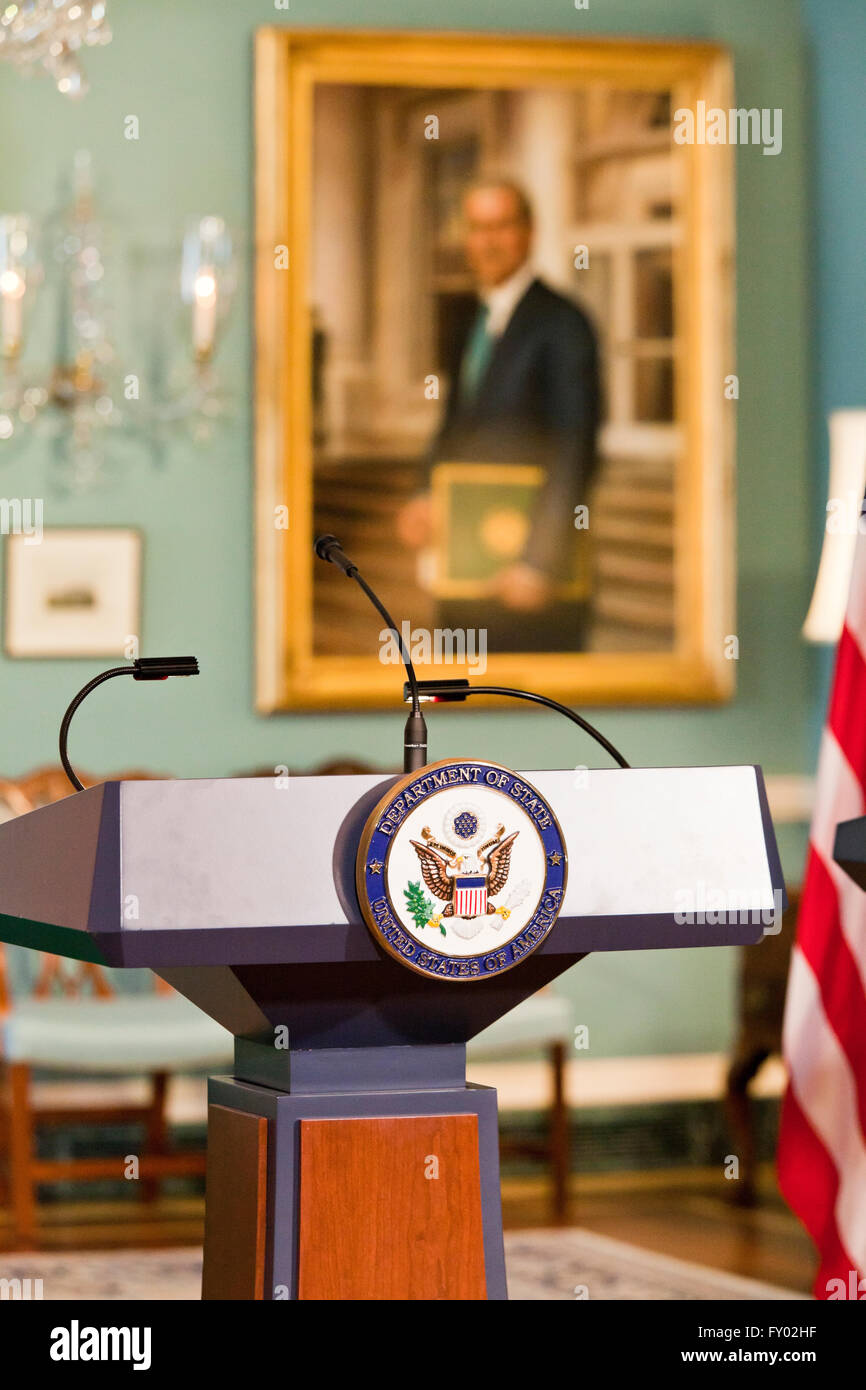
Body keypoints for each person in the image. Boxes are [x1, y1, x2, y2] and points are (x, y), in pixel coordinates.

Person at [397, 177, 600, 653]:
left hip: (530, 580)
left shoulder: (564, 323)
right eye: (476, 227)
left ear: (529, 232)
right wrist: (425, 493)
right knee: (461, 704)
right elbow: (454, 425)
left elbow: (575, 446)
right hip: (466, 566)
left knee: (529, 715)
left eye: (501, 226)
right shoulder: (470, 319)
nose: (487, 241)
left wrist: (540, 561)